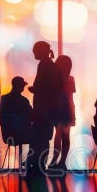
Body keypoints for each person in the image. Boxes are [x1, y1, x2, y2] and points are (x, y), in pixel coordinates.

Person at [27, 41, 62, 171]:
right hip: (49, 109)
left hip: (42, 109)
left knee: (39, 137)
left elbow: (46, 88)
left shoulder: (44, 65)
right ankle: (40, 163)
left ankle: (37, 163)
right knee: (45, 137)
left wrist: (36, 90)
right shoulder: (52, 66)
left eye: (35, 51)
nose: (34, 53)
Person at [51, 54, 76, 170]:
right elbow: (70, 95)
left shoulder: (55, 79)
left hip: (58, 109)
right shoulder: (70, 79)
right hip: (68, 109)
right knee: (66, 136)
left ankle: (54, 161)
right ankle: (62, 161)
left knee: (58, 136)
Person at [0, 76, 33, 146]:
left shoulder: (3, 98)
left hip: (6, 136)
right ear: (20, 86)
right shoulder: (24, 101)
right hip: (21, 136)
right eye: (22, 86)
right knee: (38, 134)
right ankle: (32, 156)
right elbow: (31, 115)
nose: (23, 88)